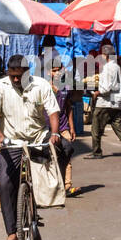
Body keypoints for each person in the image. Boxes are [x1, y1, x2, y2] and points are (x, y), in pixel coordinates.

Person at [0, 56, 60, 240]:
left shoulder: (41, 85)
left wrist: (54, 133)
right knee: (5, 183)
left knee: (62, 153)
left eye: (19, 76)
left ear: (28, 72)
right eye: (12, 76)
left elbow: (53, 112)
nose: (15, 80)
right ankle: (11, 233)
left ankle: (38, 201)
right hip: (12, 141)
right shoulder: (0, 86)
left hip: (37, 138)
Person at [90, 43, 121, 159]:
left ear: (104, 55)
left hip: (106, 102)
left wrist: (97, 93)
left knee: (96, 127)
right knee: (118, 126)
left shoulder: (107, 68)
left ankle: (96, 152)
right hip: (115, 102)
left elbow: (106, 88)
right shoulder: (116, 66)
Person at [49, 63, 79, 196]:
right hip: (49, 128)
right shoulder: (45, 87)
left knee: (67, 154)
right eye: (54, 71)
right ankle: (54, 186)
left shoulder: (66, 87)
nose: (56, 73)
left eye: (58, 70)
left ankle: (67, 186)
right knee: (51, 157)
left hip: (63, 126)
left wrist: (72, 127)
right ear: (49, 72)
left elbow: (68, 107)